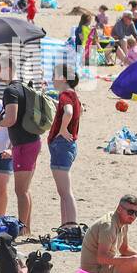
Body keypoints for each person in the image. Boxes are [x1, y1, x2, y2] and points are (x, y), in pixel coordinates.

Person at [0, 61, 41, 234]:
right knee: (25, 190)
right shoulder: (24, 87)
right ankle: (26, 228)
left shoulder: (10, 90)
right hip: (32, 141)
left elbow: (12, 118)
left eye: (0, 71)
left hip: (23, 144)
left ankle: (21, 228)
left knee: (20, 191)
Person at [80, 194, 137, 273]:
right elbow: (101, 258)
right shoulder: (108, 227)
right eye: (130, 212)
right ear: (119, 209)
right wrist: (130, 260)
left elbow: (124, 249)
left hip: (105, 267)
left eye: (136, 213)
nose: (133, 216)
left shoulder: (123, 223)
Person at [47, 64, 81, 227]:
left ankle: (72, 226)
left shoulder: (65, 95)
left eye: (54, 75)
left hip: (62, 145)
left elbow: (68, 112)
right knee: (63, 192)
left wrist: (62, 129)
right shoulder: (73, 94)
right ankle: (65, 225)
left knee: (65, 192)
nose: (52, 79)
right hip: (68, 146)